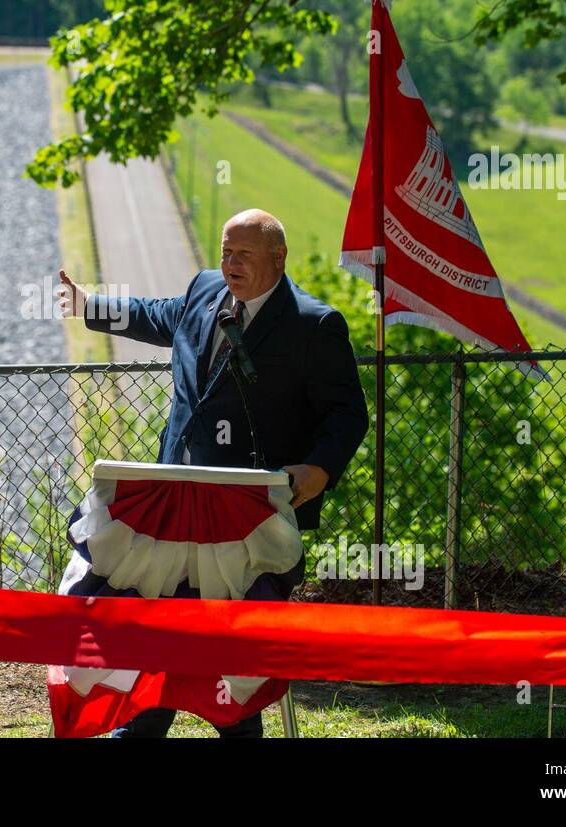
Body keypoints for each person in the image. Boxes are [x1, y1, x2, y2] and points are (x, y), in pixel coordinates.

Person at [57, 208, 368, 737]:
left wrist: (316, 470)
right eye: (226, 251)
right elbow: (159, 315)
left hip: (246, 523)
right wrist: (92, 306)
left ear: (278, 257)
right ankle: (139, 729)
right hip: (172, 508)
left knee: (230, 657)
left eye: (244, 254)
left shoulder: (313, 326)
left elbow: (348, 414)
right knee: (158, 634)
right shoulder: (204, 290)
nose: (231, 263)